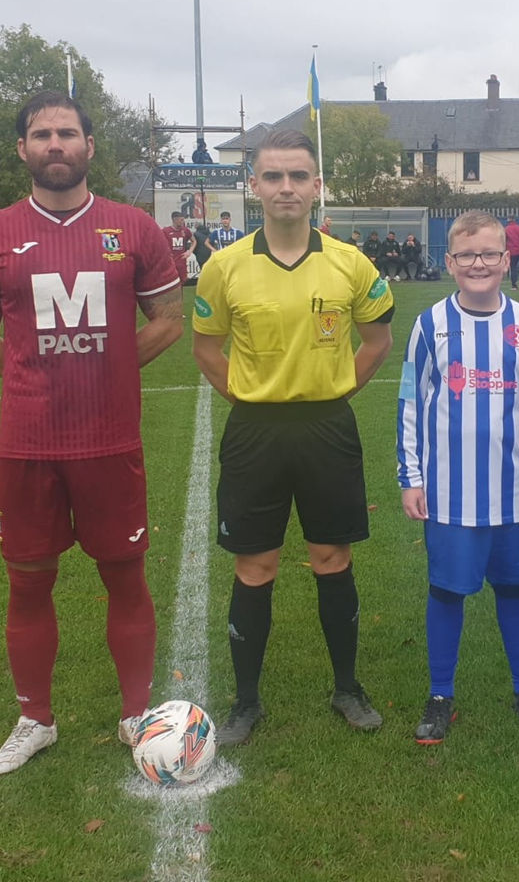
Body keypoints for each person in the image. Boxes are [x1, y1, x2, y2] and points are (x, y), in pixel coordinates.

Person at [0, 90, 183, 776]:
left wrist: (108, 369)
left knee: (126, 578)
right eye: (41, 134)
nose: (56, 144)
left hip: (110, 441)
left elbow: (167, 318)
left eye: (67, 133)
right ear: (23, 149)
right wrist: (38, 379)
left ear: (89, 146)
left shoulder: (132, 228)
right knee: (28, 583)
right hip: (27, 444)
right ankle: (35, 719)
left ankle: (136, 713)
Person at [192, 129, 394, 745]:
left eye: (298, 176)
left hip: (327, 429)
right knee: (255, 564)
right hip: (255, 432)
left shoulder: (351, 263)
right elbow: (206, 348)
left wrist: (333, 392)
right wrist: (250, 400)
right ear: (254, 186)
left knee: (332, 557)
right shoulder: (223, 267)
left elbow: (378, 340)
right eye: (273, 176)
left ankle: (347, 689)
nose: (286, 187)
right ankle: (246, 702)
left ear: (316, 186)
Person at [397, 209, 519, 745]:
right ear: (449, 262)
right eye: (467, 255)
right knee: (447, 591)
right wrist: (411, 475)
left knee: (515, 590)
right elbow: (409, 404)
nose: (478, 263)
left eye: (489, 254)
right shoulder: (429, 325)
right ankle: (441, 695)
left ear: (506, 258)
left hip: (513, 492)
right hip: (448, 494)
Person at [163, 212, 195, 286]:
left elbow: (194, 241)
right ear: (174, 220)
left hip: (181, 262)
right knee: (170, 284)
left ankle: (180, 297)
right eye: (181, 220)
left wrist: (189, 251)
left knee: (181, 283)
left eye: (183, 220)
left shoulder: (185, 230)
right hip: (170, 262)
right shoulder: (165, 231)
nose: (183, 222)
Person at [505, 215, 519, 290]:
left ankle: (514, 285)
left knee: (512, 267)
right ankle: (514, 283)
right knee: (514, 267)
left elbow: (504, 240)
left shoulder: (506, 229)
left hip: (510, 251)